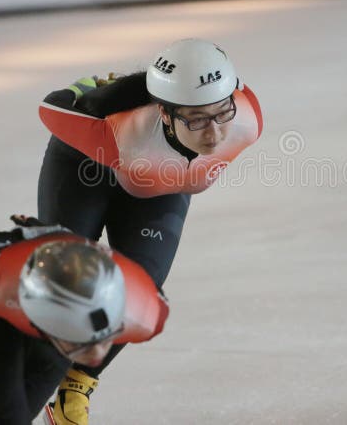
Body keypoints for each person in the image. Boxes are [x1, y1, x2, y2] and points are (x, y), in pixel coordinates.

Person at [37, 38, 263, 423]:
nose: (213, 134)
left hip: (156, 188)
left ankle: (74, 388)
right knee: (66, 289)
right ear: (164, 112)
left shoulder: (248, 120)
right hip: (86, 169)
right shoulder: (118, 133)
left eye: (221, 113)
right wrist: (91, 89)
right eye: (195, 119)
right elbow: (51, 107)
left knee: (140, 296)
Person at [0, 215, 169, 425]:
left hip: (52, 328)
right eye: (81, 342)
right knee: (3, 417)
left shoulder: (145, 309)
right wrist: (23, 239)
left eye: (107, 336)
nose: (96, 357)